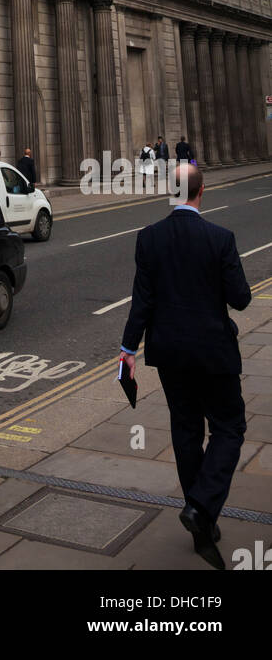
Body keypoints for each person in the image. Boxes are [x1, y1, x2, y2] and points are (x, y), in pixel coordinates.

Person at [120, 163, 251, 571]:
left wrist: (128, 349)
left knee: (187, 431)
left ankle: (201, 522)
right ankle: (200, 506)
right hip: (214, 353)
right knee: (230, 427)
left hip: (171, 355)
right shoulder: (221, 239)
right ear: (201, 191)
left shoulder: (149, 238)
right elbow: (242, 298)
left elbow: (142, 300)